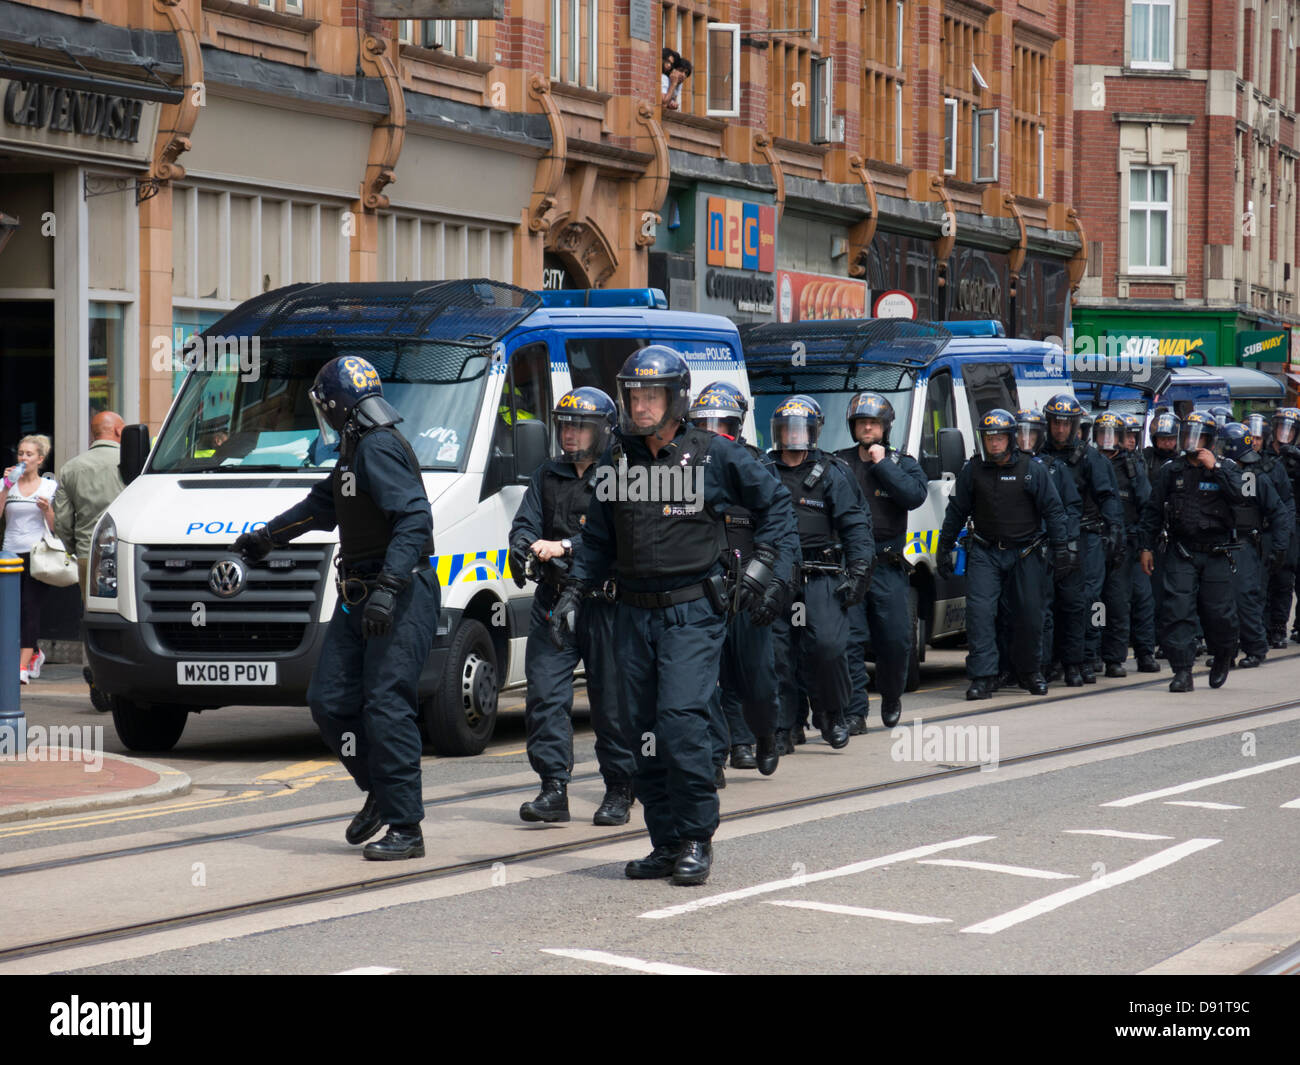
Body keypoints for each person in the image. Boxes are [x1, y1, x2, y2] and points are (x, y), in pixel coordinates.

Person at [559, 346, 795, 886]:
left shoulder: (715, 456)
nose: (641, 407)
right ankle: (665, 842)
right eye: (634, 396)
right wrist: (575, 592)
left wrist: (764, 571)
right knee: (639, 730)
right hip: (630, 614)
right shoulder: (615, 460)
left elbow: (776, 509)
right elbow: (596, 539)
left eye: (652, 397)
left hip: (692, 612)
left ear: (676, 400)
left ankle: (695, 838)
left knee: (681, 721)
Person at [233, 355, 439, 860]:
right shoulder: (355, 449)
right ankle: (382, 790)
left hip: (398, 593)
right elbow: (321, 506)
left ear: (336, 405)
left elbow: (415, 518)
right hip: (359, 595)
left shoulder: (380, 447)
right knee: (328, 700)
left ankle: (406, 828)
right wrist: (266, 538)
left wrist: (389, 588)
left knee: (387, 706)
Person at [508, 387, 636, 826]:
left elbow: (617, 538)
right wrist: (522, 547)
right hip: (553, 602)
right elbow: (525, 524)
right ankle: (552, 788)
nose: (570, 433)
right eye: (564, 424)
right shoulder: (546, 474)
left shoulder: (622, 475)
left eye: (580, 426)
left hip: (605, 603)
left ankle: (620, 788)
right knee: (544, 694)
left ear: (604, 430)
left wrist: (562, 545)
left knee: (611, 702)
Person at [686, 381, 795, 780]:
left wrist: (775, 587)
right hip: (701, 588)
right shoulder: (680, 466)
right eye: (705, 425)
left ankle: (764, 732)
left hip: (749, 587)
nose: (714, 434)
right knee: (703, 680)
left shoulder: (757, 467)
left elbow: (785, 536)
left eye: (723, 425)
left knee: (758, 678)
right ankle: (713, 756)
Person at [938, 409, 1069, 699]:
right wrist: (944, 547)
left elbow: (1054, 510)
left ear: (1010, 439)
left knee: (1029, 615)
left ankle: (1030, 671)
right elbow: (956, 511)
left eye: (998, 438)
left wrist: (1062, 549)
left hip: (1026, 552)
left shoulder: (1032, 469)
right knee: (980, 614)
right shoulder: (972, 470)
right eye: (988, 438)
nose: (993, 444)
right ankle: (984, 676)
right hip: (985, 551)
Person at [768, 395, 874, 753]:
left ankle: (831, 714)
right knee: (778, 653)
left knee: (827, 647)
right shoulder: (763, 471)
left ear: (814, 433)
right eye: (786, 430)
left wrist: (859, 569)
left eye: (800, 430)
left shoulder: (832, 473)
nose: (793, 438)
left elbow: (856, 526)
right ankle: (785, 725)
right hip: (778, 574)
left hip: (821, 573)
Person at [835, 392, 926, 731]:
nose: (867, 427)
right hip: (850, 565)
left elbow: (914, 496)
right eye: (862, 422)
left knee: (896, 640)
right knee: (850, 641)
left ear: (885, 427)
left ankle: (890, 696)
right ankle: (855, 711)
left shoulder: (901, 463)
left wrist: (882, 463)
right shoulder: (839, 463)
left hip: (887, 567)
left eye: (873, 422)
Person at [1139, 411, 1245, 692]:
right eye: (1187, 435)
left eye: (1199, 437)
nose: (1192, 442)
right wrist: (1147, 547)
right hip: (1182, 550)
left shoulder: (1228, 467)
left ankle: (1223, 654)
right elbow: (1152, 511)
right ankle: (1182, 670)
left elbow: (1244, 496)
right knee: (1177, 611)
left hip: (1217, 551)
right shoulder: (1171, 470)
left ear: (1211, 441)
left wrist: (1217, 469)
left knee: (1219, 613)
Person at [1042, 394, 1124, 683]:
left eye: (1066, 424)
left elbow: (1109, 498)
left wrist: (1115, 531)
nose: (1060, 429)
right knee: (1050, 601)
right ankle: (1052, 659)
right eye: (1056, 423)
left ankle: (1089, 656)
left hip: (1088, 537)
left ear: (1076, 425)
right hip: (1051, 538)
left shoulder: (1091, 458)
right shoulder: (1040, 455)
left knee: (1089, 601)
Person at [53, 411, 126, 709]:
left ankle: (97, 673)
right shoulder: (136, 463)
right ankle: (126, 675)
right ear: (119, 432)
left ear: (94, 434)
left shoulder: (71, 468)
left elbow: (61, 521)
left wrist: (75, 549)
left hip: (88, 554)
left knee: (93, 615)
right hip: (127, 550)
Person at [1016, 408, 1082, 685]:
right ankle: (1023, 666)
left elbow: (1070, 507)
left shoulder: (1054, 467)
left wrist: (1066, 543)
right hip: (1022, 548)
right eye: (1021, 433)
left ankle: (1063, 664)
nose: (1026, 439)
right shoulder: (1005, 465)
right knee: (1025, 611)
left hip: (1050, 545)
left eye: (1033, 433)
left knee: (1065, 606)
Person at [1219, 421, 1288, 669]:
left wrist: (1280, 547)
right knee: (1219, 600)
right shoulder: (1217, 471)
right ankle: (1224, 650)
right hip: (1218, 542)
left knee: (1244, 597)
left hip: (1244, 543)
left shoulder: (1251, 476)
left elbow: (1279, 512)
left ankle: (1256, 647)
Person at [1093, 413, 1150, 678]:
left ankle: (1115, 658)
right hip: (1093, 542)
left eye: (1112, 435)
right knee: (1093, 603)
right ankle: (1091, 654)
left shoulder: (1132, 467)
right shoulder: (1088, 462)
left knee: (1118, 603)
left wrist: (1138, 541)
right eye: (1102, 434)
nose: (1107, 440)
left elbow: (1146, 507)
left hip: (1123, 546)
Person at [1, 435, 57, 684]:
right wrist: (4, 486)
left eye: (29, 454)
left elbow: (57, 528)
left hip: (37, 554)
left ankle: (21, 667)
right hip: (9, 554)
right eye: (21, 453)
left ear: (40, 459)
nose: (23, 458)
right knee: (10, 610)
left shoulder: (49, 487)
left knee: (30, 609)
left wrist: (47, 510)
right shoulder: (7, 484)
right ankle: (33, 652)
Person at [1251, 410, 1296, 649]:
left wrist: (1284, 534)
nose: (1255, 442)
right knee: (1255, 585)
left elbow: (1286, 504)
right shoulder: (1237, 464)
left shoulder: (1274, 466)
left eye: (1259, 438)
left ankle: (1277, 627)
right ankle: (1255, 630)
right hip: (1251, 532)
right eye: (1251, 437)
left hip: (1277, 530)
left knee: (1282, 578)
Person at [1122, 412, 1159, 673]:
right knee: (1109, 603)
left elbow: (1148, 507)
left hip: (1134, 542)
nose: (1130, 441)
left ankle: (1145, 653)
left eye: (1134, 436)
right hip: (1107, 543)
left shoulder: (1138, 465)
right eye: (1125, 435)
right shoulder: (1099, 463)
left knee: (1143, 600)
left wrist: (1145, 544)